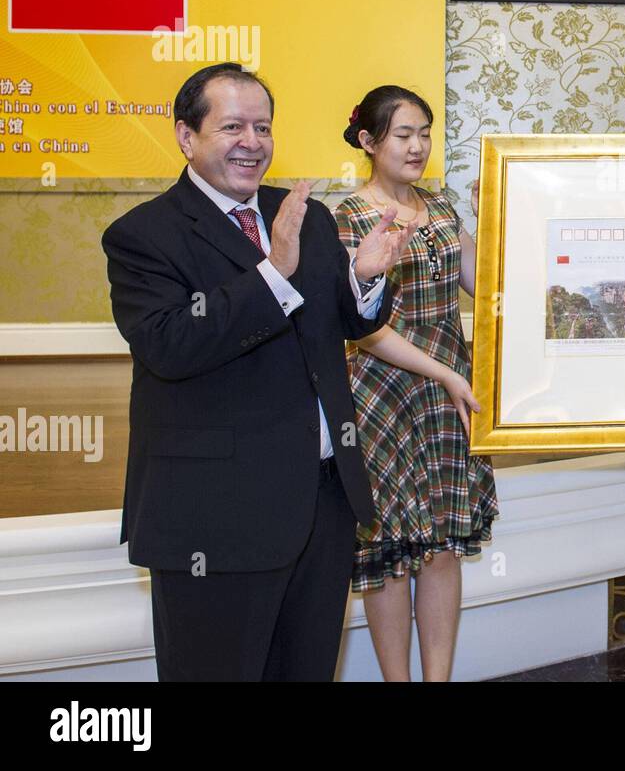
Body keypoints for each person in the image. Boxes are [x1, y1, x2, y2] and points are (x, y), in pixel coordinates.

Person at [102, 63, 417, 681]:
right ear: (186, 137)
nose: (252, 141)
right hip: (215, 518)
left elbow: (339, 324)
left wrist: (365, 276)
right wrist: (272, 273)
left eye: (263, 127)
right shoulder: (142, 236)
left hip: (321, 503)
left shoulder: (305, 215)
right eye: (232, 127)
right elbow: (171, 346)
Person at [334, 86, 498, 682]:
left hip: (445, 391)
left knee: (443, 544)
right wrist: (450, 372)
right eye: (403, 135)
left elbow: (483, 285)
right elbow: (364, 329)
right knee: (391, 554)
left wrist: (498, 214)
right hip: (382, 390)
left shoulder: (444, 208)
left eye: (425, 133)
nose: (418, 146)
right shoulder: (348, 217)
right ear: (368, 141)